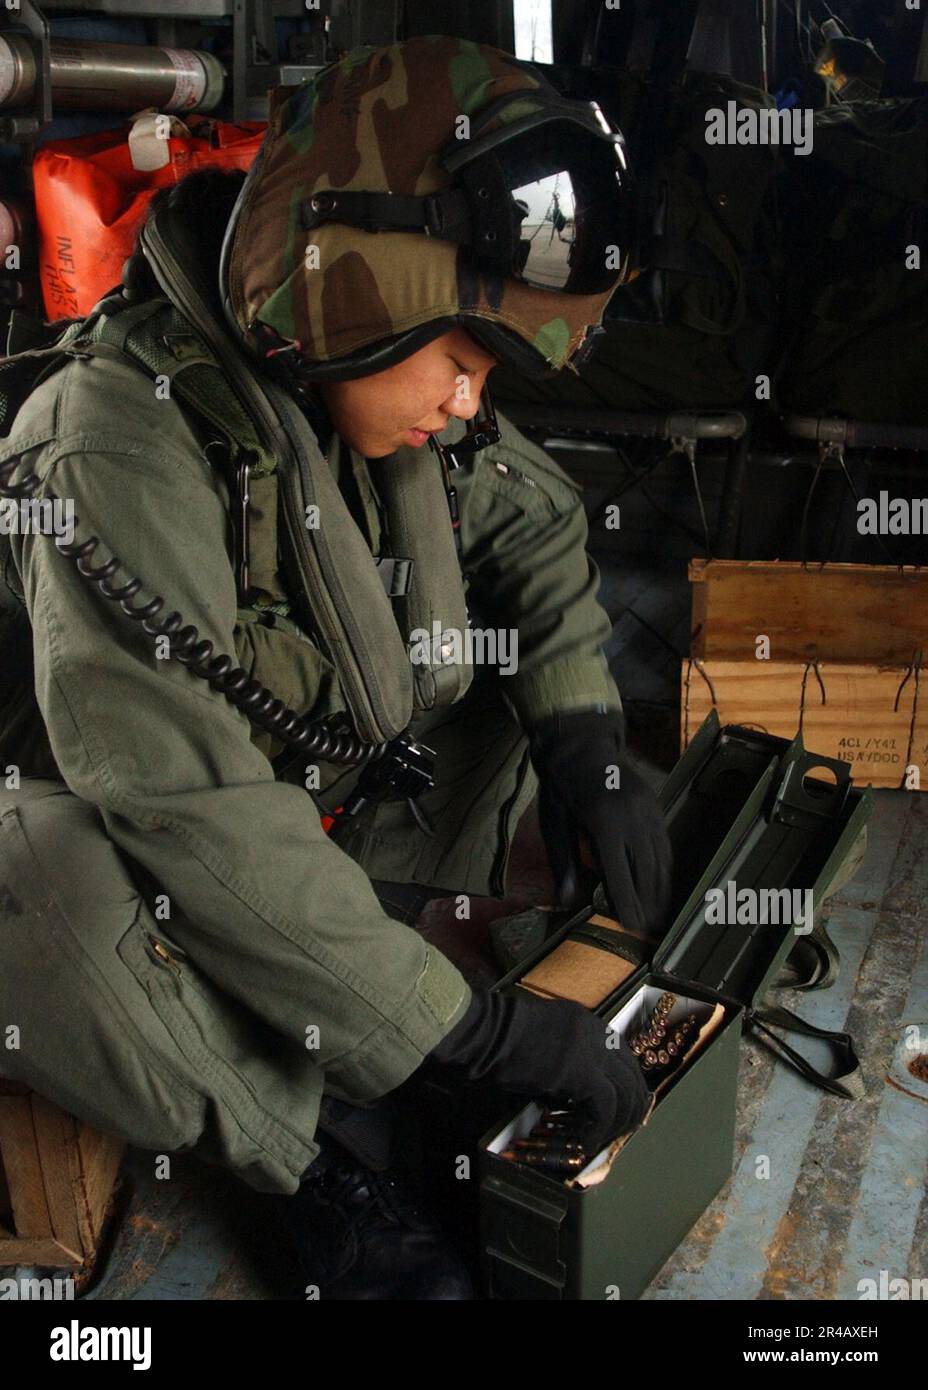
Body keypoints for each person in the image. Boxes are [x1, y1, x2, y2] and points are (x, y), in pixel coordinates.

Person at [0, 35, 671, 1299]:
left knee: (489, 702)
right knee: (59, 897)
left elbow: (530, 522)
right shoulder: (114, 444)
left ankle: (387, 1015)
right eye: (464, 366)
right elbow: (186, 810)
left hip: (275, 811)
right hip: (105, 820)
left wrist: (585, 738)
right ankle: (306, 1163)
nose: (471, 405)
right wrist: (471, 1035)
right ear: (361, 284)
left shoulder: (352, 387)